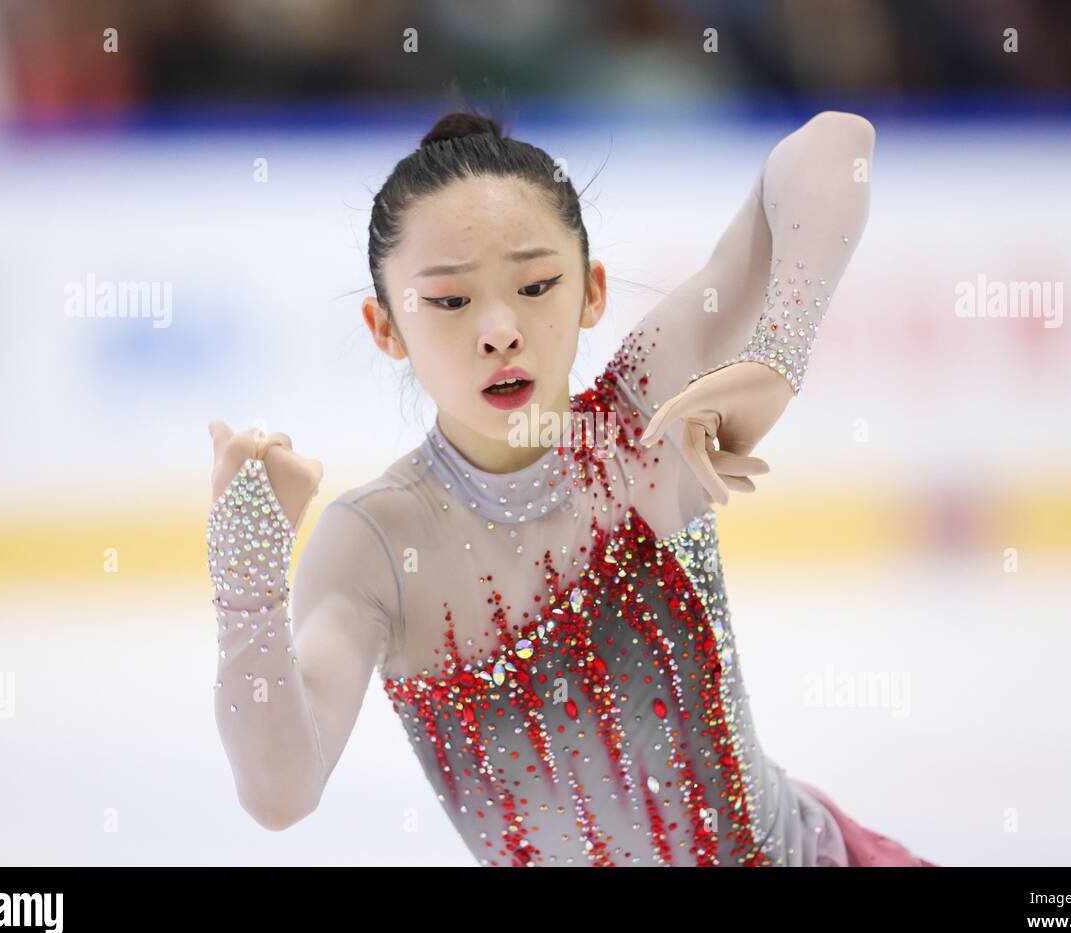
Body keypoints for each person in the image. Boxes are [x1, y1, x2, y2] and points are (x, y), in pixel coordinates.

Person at [206, 108, 936, 866]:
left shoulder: (642, 419)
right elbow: (280, 793)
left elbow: (838, 144)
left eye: (536, 284)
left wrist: (779, 354)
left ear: (591, 291)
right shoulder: (376, 546)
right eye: (450, 301)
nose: (499, 330)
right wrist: (246, 580)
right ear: (386, 327)